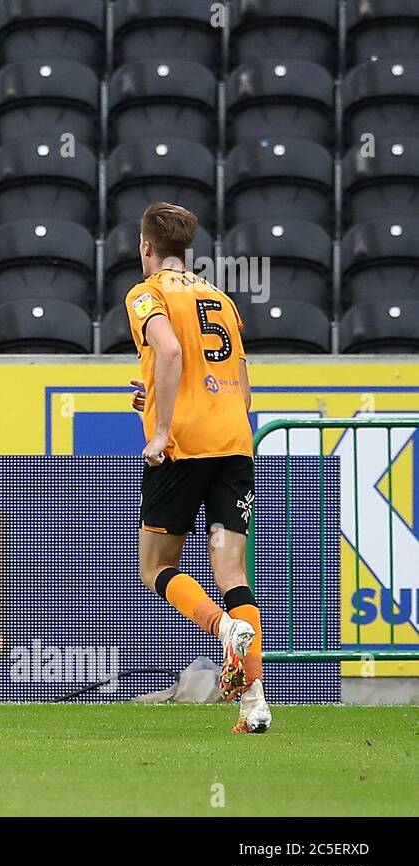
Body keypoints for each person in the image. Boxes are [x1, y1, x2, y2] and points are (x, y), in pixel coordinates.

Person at [125, 202, 270, 734]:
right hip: (234, 441)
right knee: (231, 571)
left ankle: (221, 627)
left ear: (146, 248)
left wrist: (162, 429)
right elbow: (244, 390)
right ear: (188, 249)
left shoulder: (147, 293)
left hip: (183, 447)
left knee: (155, 567)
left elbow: (168, 348)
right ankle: (253, 703)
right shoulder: (221, 298)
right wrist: (159, 402)